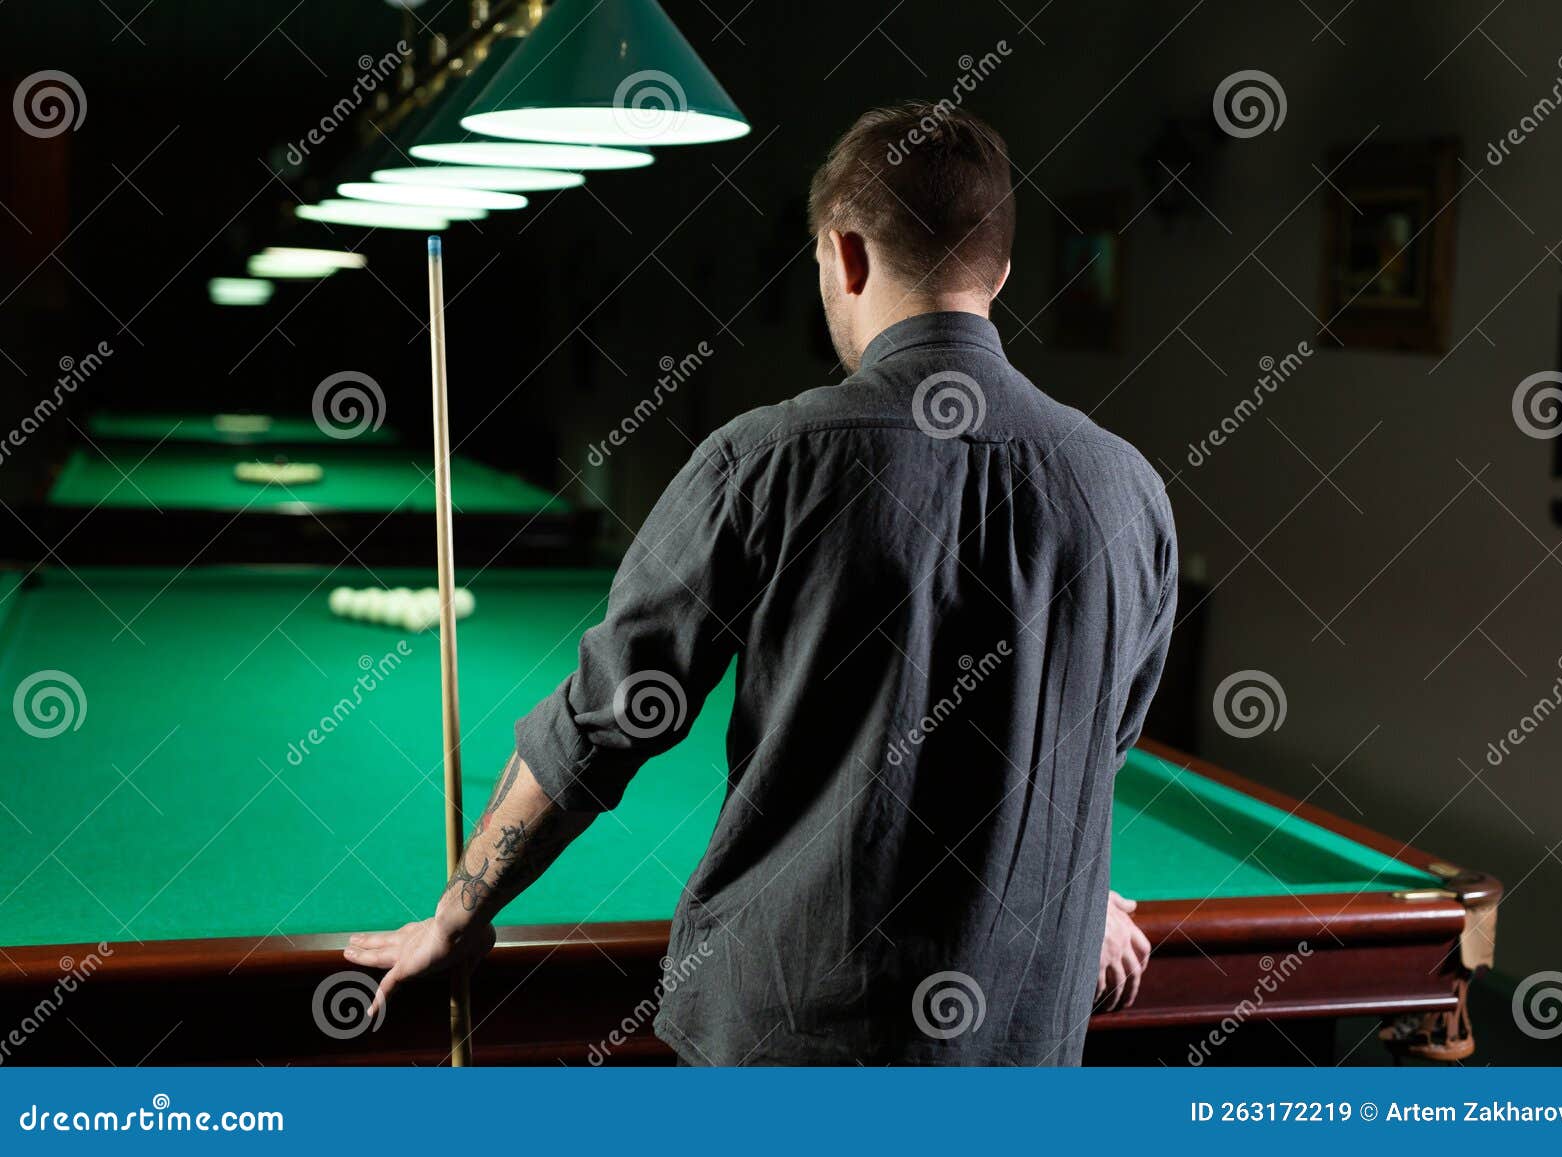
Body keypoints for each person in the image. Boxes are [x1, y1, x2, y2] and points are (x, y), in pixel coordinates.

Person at [346, 102, 1173, 1065]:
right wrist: (1078, 893)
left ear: (844, 255)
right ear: (998, 271)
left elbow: (605, 722)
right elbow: (1087, 751)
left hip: (784, 1046)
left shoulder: (766, 461)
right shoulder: (1128, 488)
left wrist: (460, 909)